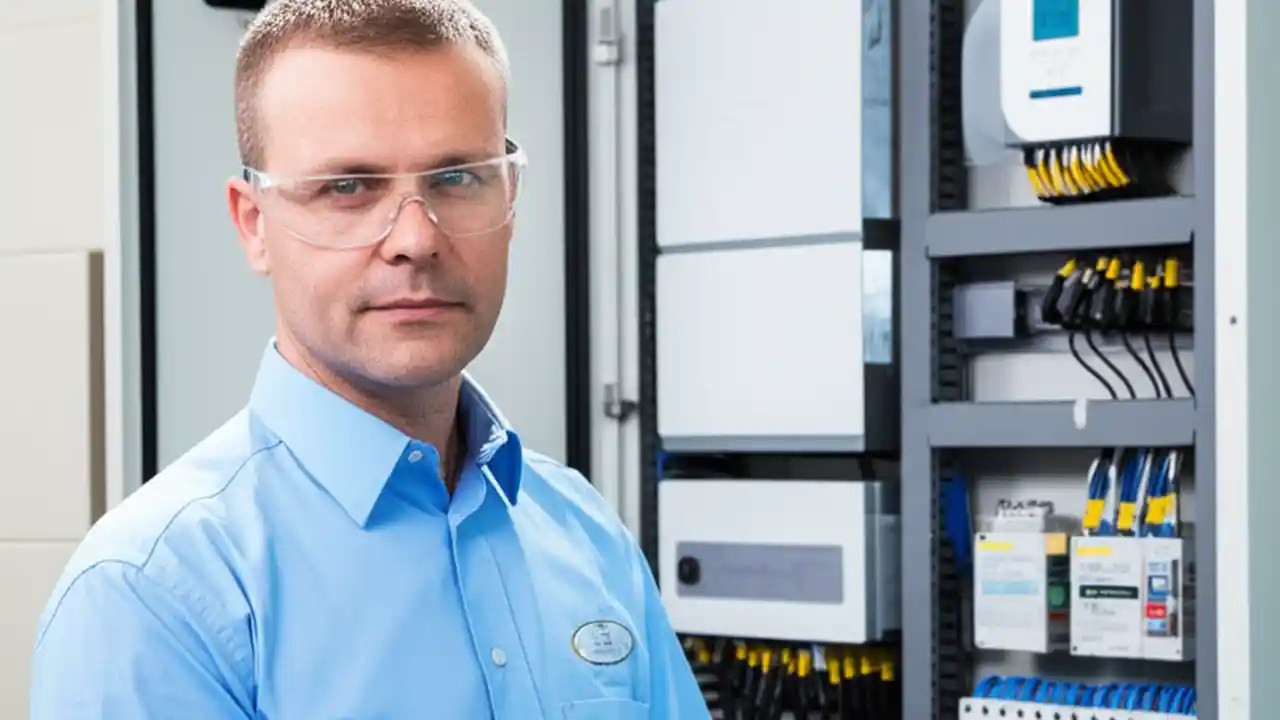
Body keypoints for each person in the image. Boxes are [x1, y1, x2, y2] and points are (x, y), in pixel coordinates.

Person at [28, 1, 707, 717]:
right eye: (348, 187)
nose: (415, 237)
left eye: (456, 178)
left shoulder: (583, 532)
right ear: (253, 224)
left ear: (511, 197)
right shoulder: (152, 596)